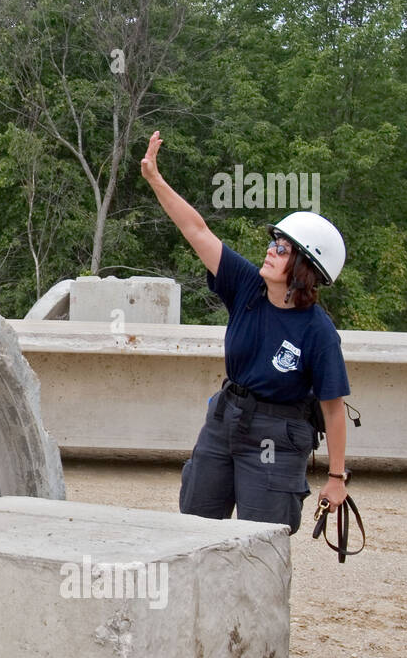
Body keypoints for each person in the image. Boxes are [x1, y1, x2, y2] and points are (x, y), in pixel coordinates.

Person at [139, 130, 351, 530]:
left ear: (305, 268)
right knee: (195, 531)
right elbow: (197, 230)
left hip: (279, 435)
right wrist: (155, 178)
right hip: (225, 418)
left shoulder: (318, 332)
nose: (270, 251)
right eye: (274, 243)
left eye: (283, 249)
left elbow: (333, 407)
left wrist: (337, 478)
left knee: (260, 544)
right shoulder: (247, 286)